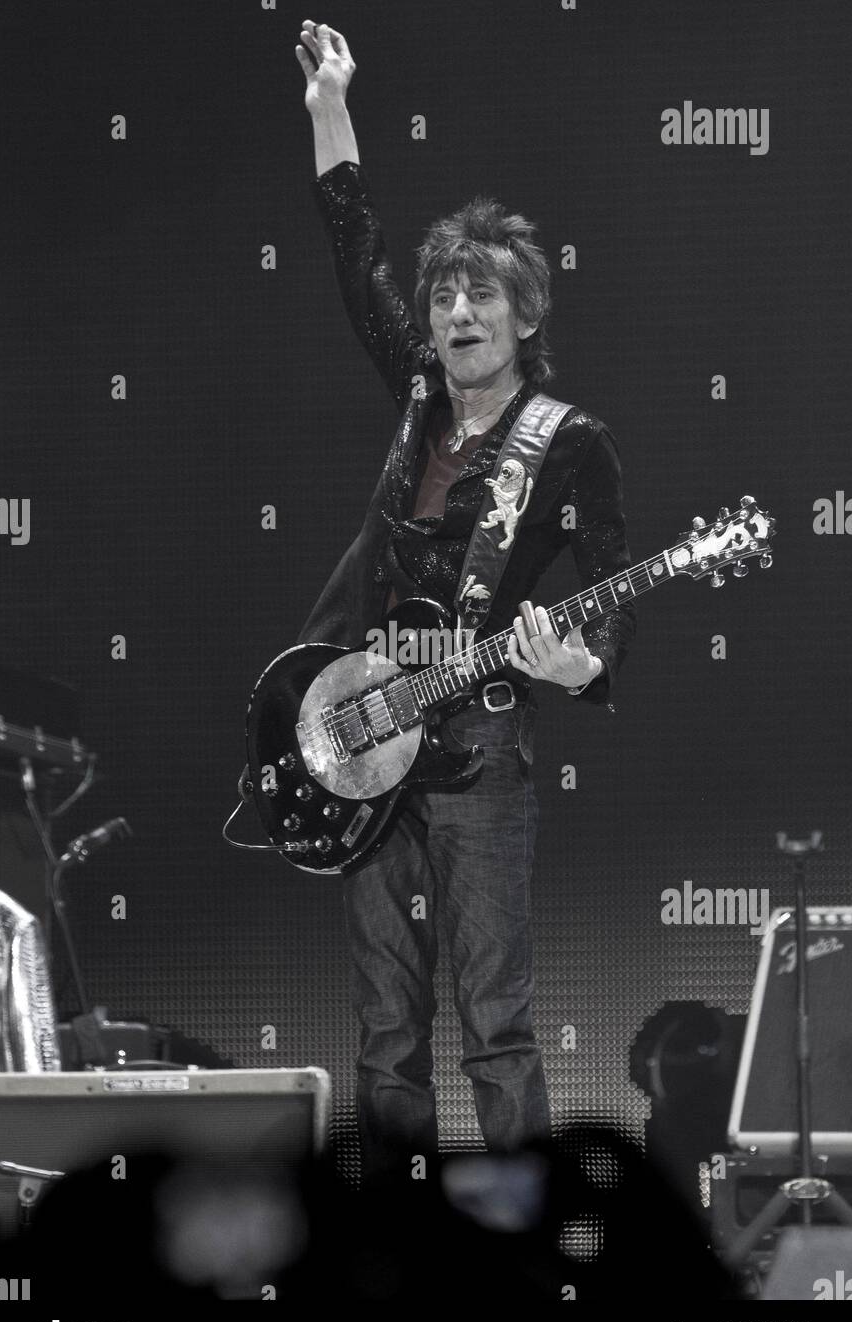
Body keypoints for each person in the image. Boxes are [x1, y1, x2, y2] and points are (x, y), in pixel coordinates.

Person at [294, 20, 636, 1184]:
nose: (455, 313)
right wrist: (329, 103)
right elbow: (355, 253)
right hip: (372, 728)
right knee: (387, 1039)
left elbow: (610, 600)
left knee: (495, 1026)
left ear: (526, 316)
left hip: (483, 746)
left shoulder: (569, 441)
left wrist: (575, 663)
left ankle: (525, 1245)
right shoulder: (415, 403)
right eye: (443, 296)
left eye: (480, 294)